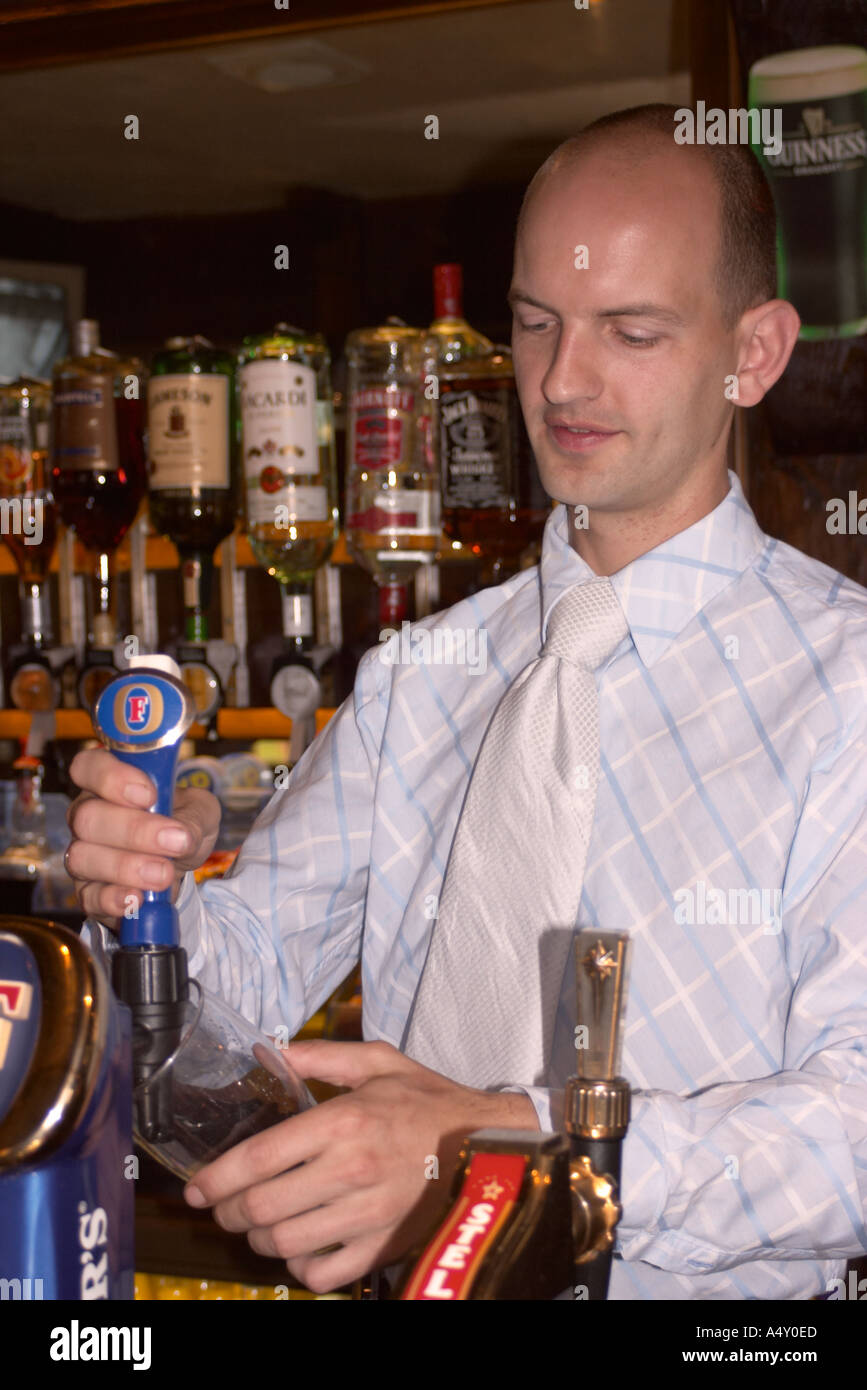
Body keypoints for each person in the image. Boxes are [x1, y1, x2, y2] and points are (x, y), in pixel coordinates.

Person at [65, 105, 867, 1300]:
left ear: (753, 353)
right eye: (534, 322)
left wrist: (501, 1149)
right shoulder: (416, 678)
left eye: (631, 331)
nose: (562, 379)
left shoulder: (846, 686)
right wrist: (146, 904)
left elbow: (850, 1131)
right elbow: (221, 1006)